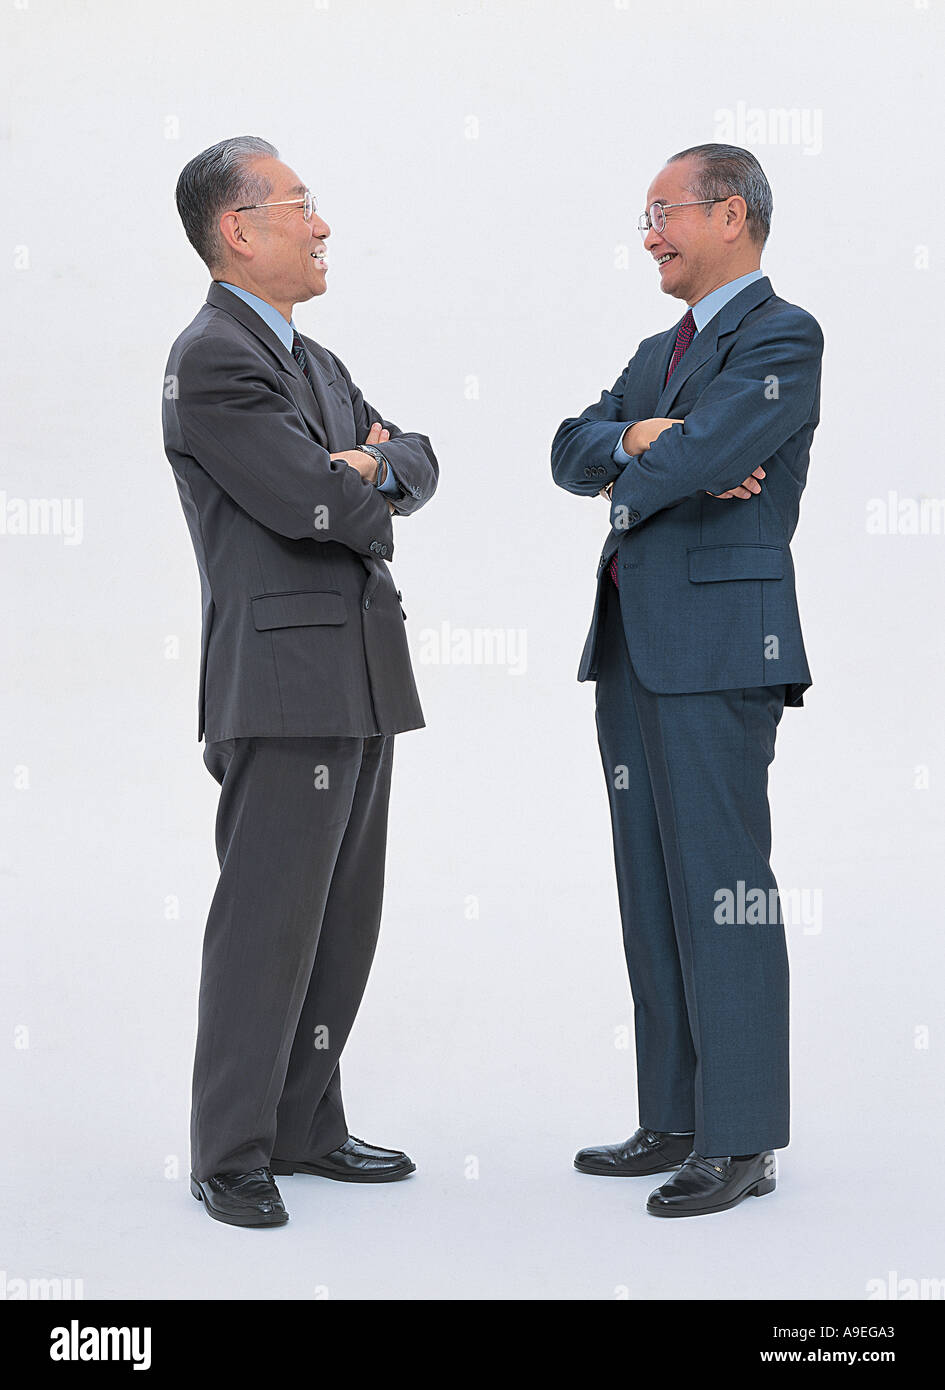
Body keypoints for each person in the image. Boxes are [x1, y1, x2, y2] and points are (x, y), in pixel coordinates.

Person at [163, 136, 438, 1228]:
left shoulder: (312, 362)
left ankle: (307, 1125)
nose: (321, 225)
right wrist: (364, 473)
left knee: (342, 918)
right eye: (300, 205)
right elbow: (312, 502)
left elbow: (417, 456)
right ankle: (230, 1149)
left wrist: (373, 463)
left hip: (359, 673)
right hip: (280, 681)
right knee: (268, 919)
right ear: (239, 228)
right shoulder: (216, 356)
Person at [551, 143, 823, 1218]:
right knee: (654, 886)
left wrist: (669, 457)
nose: (649, 234)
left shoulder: (784, 335)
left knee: (727, 886)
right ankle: (674, 1115)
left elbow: (706, 459)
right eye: (646, 216)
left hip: (721, 647)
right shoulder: (654, 352)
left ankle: (743, 1135)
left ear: (732, 215)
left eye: (663, 211)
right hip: (632, 642)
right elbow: (569, 450)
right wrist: (652, 438)